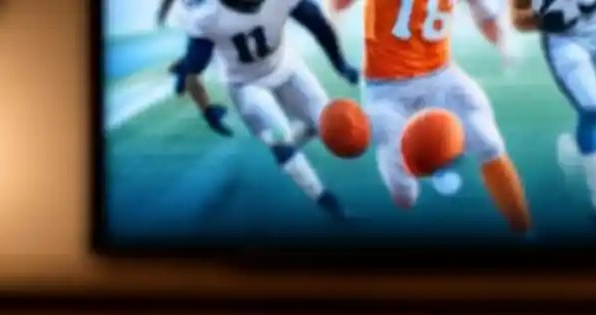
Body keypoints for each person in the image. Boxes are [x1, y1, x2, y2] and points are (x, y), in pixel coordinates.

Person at [332, 0, 533, 233]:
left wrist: (503, 44)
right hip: (386, 90)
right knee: (404, 193)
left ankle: (523, 230)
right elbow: (338, 5)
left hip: (439, 74)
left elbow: (483, 14)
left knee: (488, 142)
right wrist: (335, 42)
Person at [170, 0, 360, 218]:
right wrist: (206, 110)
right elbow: (194, 75)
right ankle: (325, 200)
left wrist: (340, 64)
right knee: (281, 138)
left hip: (287, 66)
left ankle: (285, 149)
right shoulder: (207, 17)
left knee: (327, 123)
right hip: (246, 84)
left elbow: (318, 24)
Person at [512, 0, 596, 226]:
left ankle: (574, 148)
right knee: (591, 107)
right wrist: (542, 21)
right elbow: (518, 19)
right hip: (563, 40)